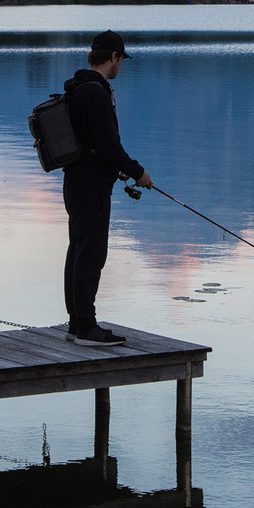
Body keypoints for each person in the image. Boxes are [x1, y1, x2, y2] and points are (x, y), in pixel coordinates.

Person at [61, 30, 153, 346]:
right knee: (91, 253)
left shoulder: (78, 88)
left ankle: (77, 322)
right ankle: (86, 326)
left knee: (79, 249)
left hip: (76, 181)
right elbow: (108, 144)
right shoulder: (96, 93)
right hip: (90, 186)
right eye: (120, 60)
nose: (120, 67)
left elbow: (95, 144)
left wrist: (117, 169)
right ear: (113, 57)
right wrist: (137, 171)